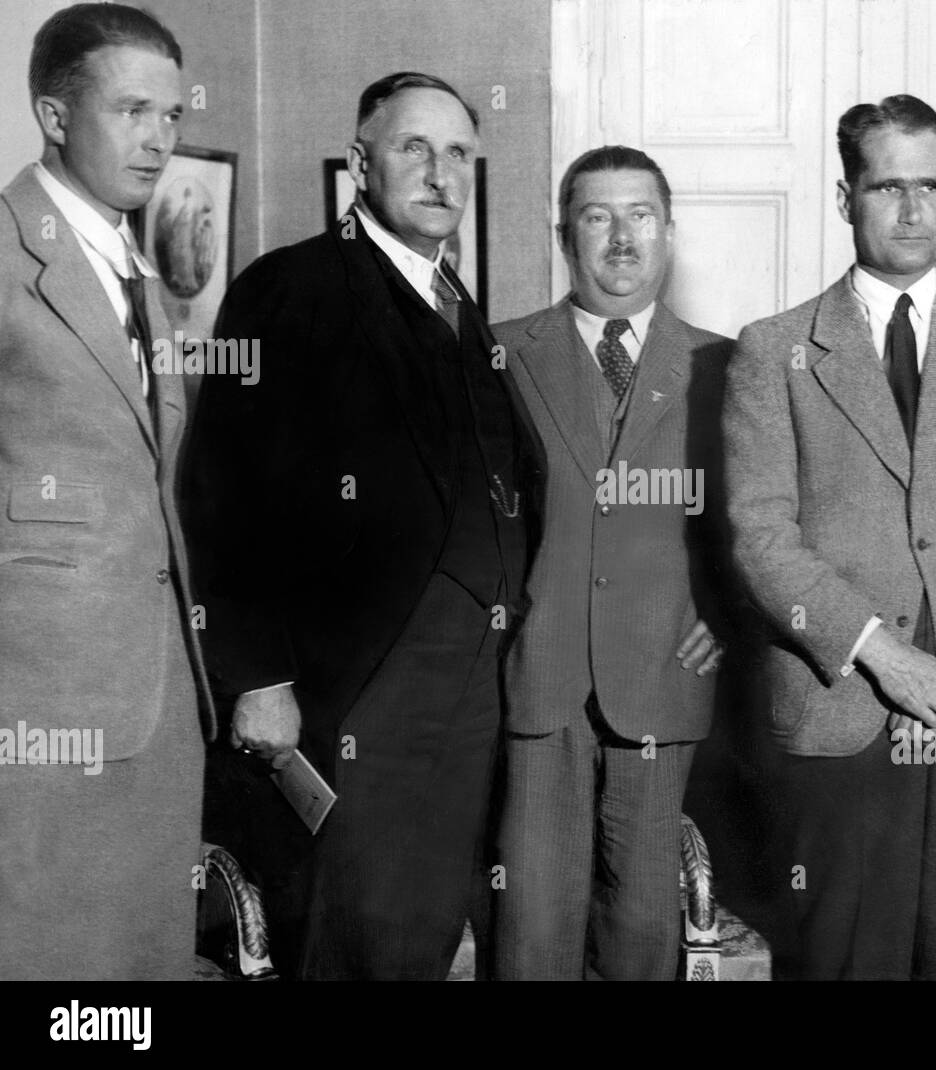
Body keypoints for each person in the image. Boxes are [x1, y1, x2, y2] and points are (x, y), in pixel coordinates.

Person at [185, 72, 536, 980]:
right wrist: (257, 675)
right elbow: (220, 491)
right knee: (349, 932)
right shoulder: (292, 287)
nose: (440, 172)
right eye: (414, 148)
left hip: (474, 685)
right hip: (363, 682)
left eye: (458, 152)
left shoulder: (455, 301)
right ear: (360, 163)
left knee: (423, 928)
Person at [724, 95, 936, 980]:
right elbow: (761, 537)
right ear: (846, 200)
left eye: (931, 187)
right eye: (887, 188)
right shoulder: (773, 349)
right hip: (839, 707)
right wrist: (884, 653)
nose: (912, 210)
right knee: (841, 957)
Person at [0, 3, 213, 980]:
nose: (160, 139)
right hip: (41, 703)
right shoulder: (9, 256)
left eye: (169, 114)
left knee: (139, 966)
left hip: (162, 697)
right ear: (52, 114)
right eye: (133, 110)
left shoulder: (141, 270)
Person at [492, 146, 732, 980]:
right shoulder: (500, 356)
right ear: (565, 236)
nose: (621, 237)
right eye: (598, 217)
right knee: (532, 924)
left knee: (641, 926)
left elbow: (764, 520)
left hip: (664, 670)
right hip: (538, 673)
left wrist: (726, 614)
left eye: (640, 216)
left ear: (669, 233)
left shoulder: (726, 364)